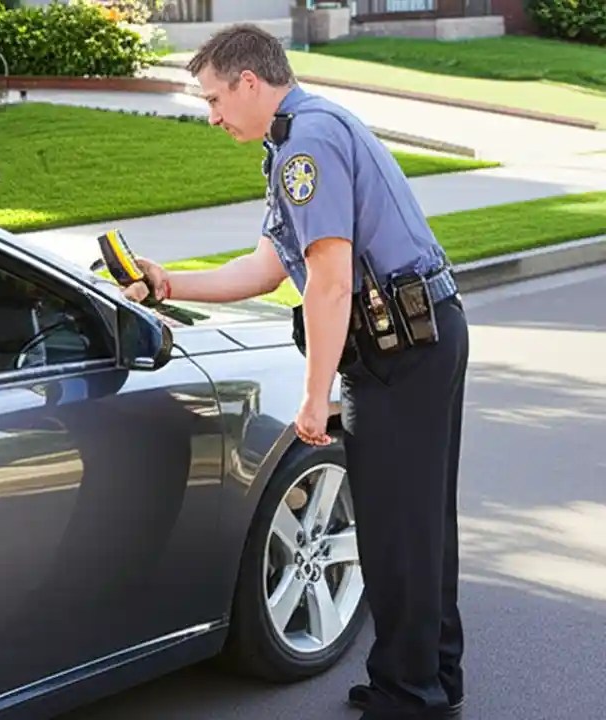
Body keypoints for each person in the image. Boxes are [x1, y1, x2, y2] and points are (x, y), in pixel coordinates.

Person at [123, 24, 470, 720]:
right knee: (420, 523)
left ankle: (412, 696)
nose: (213, 114)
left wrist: (314, 399)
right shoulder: (305, 130)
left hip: (401, 348)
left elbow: (330, 282)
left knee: (397, 527)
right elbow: (264, 268)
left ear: (250, 81)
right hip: (423, 334)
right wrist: (170, 284)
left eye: (216, 97)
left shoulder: (303, 147)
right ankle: (429, 676)